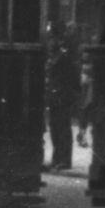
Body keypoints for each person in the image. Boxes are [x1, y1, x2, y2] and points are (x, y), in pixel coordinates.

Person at [45, 30, 84, 174]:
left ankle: (64, 160)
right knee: (55, 128)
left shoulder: (64, 59)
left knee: (63, 129)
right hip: (54, 98)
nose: (50, 43)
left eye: (52, 40)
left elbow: (74, 81)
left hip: (63, 98)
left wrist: (69, 96)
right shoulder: (54, 58)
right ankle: (57, 158)